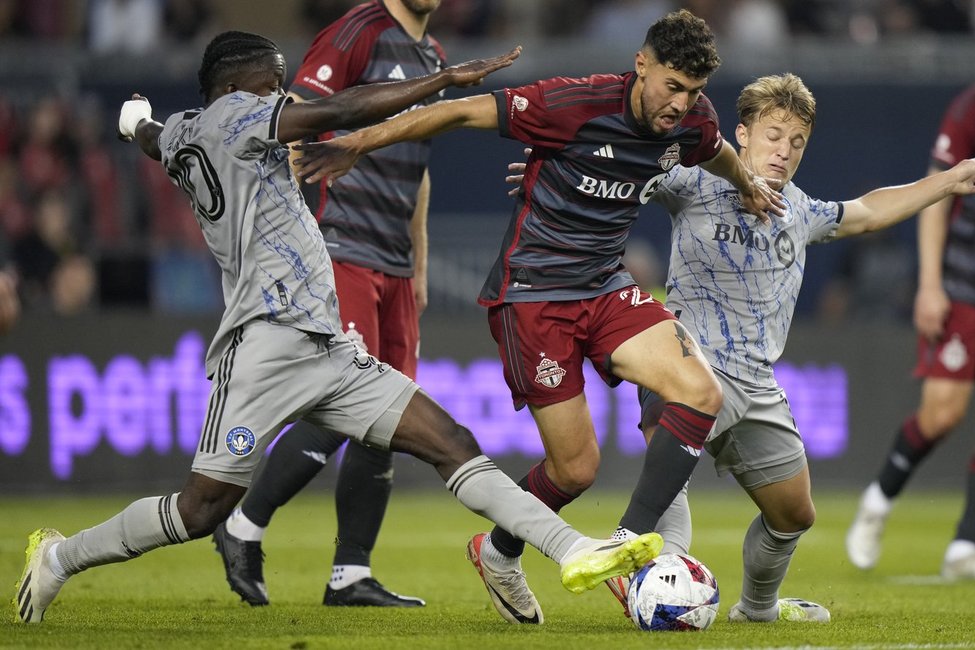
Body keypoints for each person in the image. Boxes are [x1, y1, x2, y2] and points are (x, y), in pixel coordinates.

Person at [12, 30, 664, 625]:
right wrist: (442, 82)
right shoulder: (241, 115)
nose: (284, 91)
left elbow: (155, 136)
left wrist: (134, 123)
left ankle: (573, 549)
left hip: (327, 346)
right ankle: (60, 558)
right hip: (262, 348)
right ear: (238, 88)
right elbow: (344, 112)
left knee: (449, 440)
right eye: (273, 81)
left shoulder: (184, 130)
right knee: (199, 509)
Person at [292, 9, 786, 625]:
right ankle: (498, 552)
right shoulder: (570, 104)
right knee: (575, 469)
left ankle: (625, 543)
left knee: (699, 391)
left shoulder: (693, 121)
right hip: (533, 296)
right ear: (641, 65)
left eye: (693, 92)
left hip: (605, 287)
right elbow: (453, 112)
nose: (680, 104)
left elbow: (713, 153)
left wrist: (745, 182)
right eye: (671, 86)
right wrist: (356, 143)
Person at [600, 73, 975, 624]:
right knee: (668, 479)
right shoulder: (693, 181)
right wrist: (559, 177)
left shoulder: (801, 210)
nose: (783, 152)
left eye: (796, 142)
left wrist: (948, 181)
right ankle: (654, 581)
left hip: (757, 385)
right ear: (742, 134)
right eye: (773, 136)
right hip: (687, 367)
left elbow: (870, 210)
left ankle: (757, 610)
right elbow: (624, 170)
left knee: (793, 515)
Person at [212, 0, 446, 609]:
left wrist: (418, 260)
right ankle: (243, 524)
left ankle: (350, 574)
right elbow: (290, 123)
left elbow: (418, 168)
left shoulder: (431, 55)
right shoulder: (358, 32)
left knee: (387, 417)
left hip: (394, 261)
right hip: (340, 246)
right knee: (339, 399)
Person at [846, 2, 975, 583]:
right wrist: (929, 284)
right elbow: (937, 194)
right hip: (967, 288)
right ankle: (877, 502)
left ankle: (965, 548)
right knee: (942, 414)